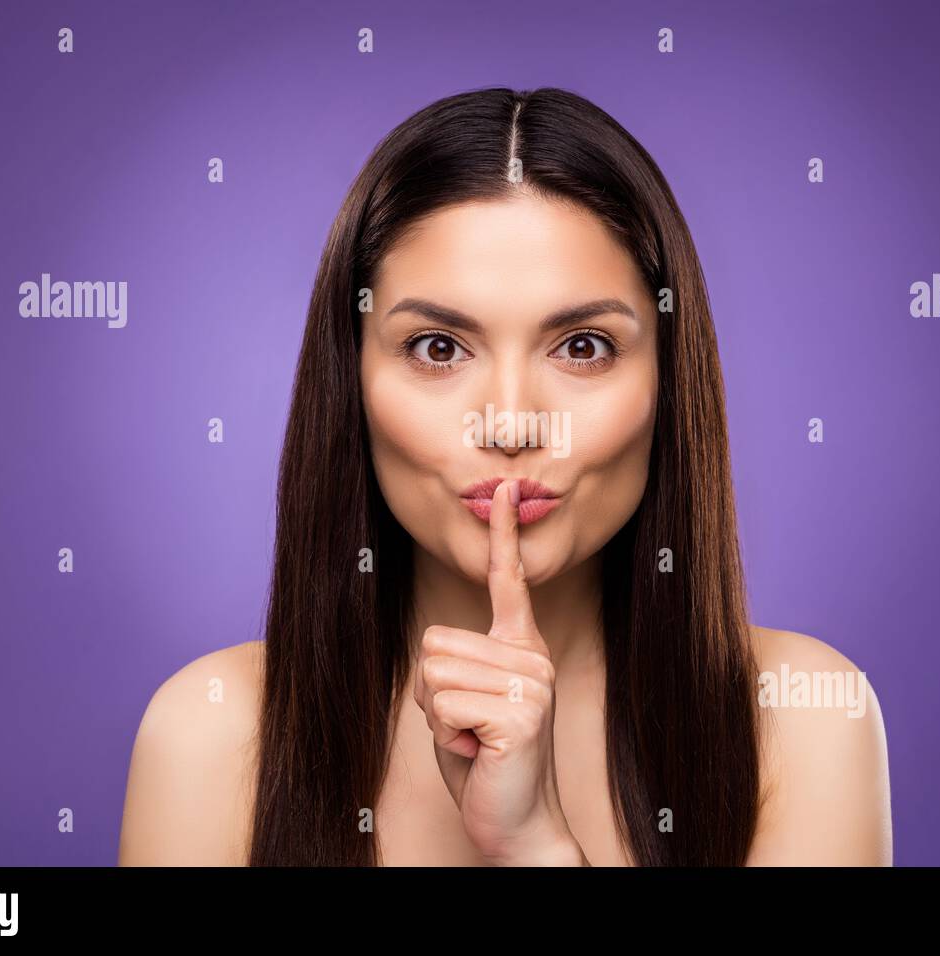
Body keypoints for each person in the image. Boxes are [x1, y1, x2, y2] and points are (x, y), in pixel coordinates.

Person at [118, 87, 892, 866]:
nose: (513, 423)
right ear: (349, 377)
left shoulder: (803, 719)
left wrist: (535, 847)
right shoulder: (212, 734)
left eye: (583, 347)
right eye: (438, 348)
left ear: (668, 378)